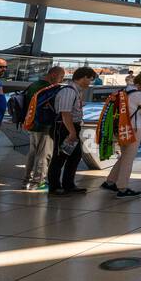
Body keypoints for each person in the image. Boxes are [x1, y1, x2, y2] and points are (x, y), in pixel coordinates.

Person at [101, 73, 141, 197]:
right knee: (128, 159)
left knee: (124, 156)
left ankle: (110, 182)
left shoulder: (123, 91)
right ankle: (122, 188)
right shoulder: (139, 94)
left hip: (120, 127)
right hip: (133, 128)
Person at [47, 66, 96, 195]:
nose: (90, 83)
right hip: (64, 127)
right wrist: (72, 132)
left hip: (70, 126)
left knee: (75, 156)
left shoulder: (75, 90)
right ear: (83, 77)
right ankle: (54, 187)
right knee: (59, 157)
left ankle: (69, 185)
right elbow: (65, 113)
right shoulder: (68, 91)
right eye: (89, 79)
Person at [21, 66, 65, 190]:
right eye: (61, 77)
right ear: (53, 75)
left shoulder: (34, 85)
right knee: (44, 154)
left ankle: (26, 180)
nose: (61, 80)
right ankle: (38, 182)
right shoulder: (49, 89)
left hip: (31, 124)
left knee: (32, 153)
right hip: (45, 126)